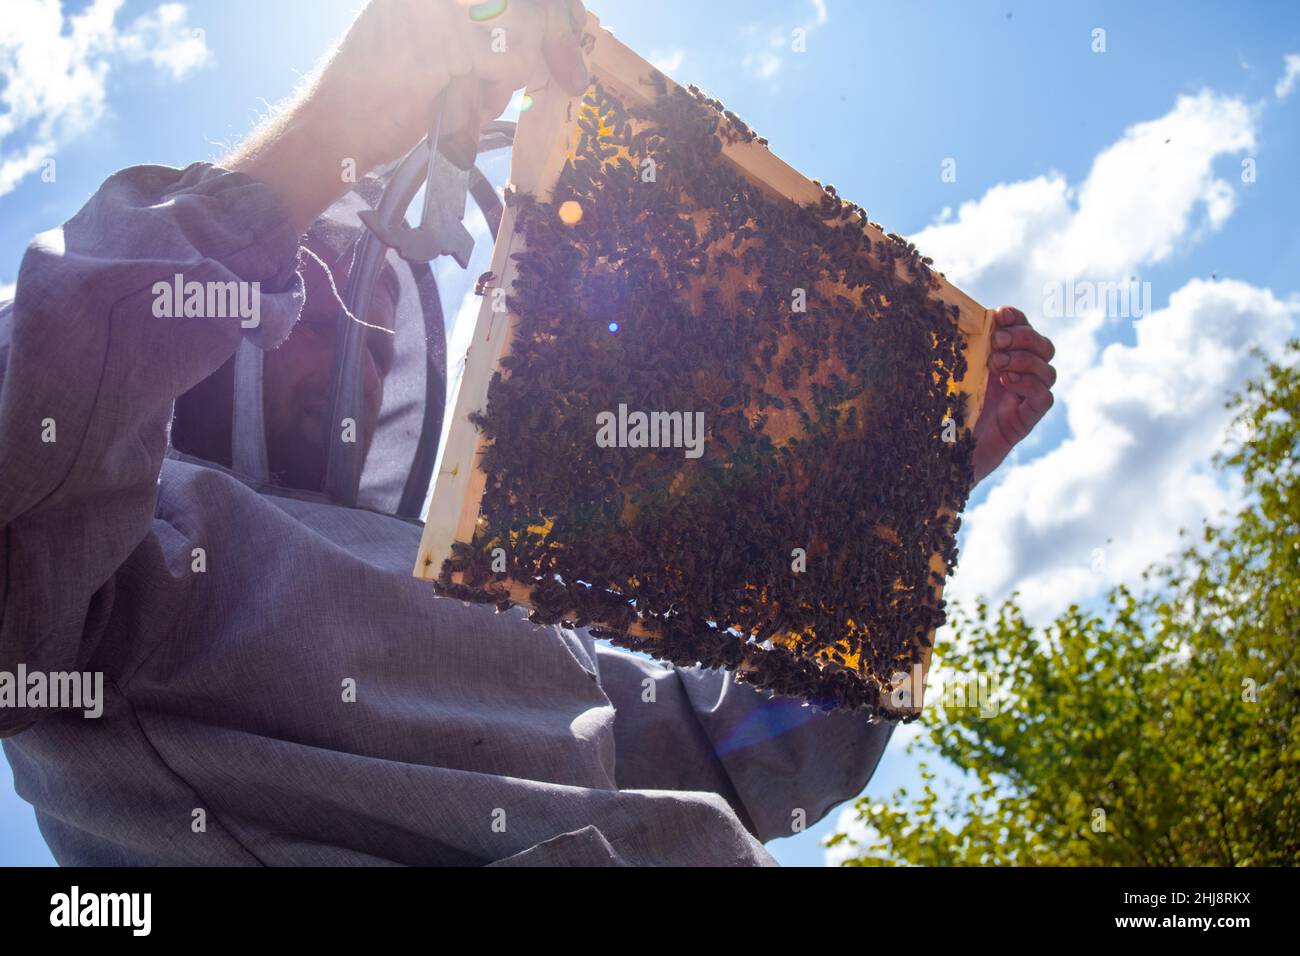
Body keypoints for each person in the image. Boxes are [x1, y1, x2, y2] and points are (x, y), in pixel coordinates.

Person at [0, 0, 1056, 866]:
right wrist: (331, 137)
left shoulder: (489, 587)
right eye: (297, 288)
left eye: (377, 303)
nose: (356, 323)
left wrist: (913, 498)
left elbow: (742, 759)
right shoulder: (116, 551)